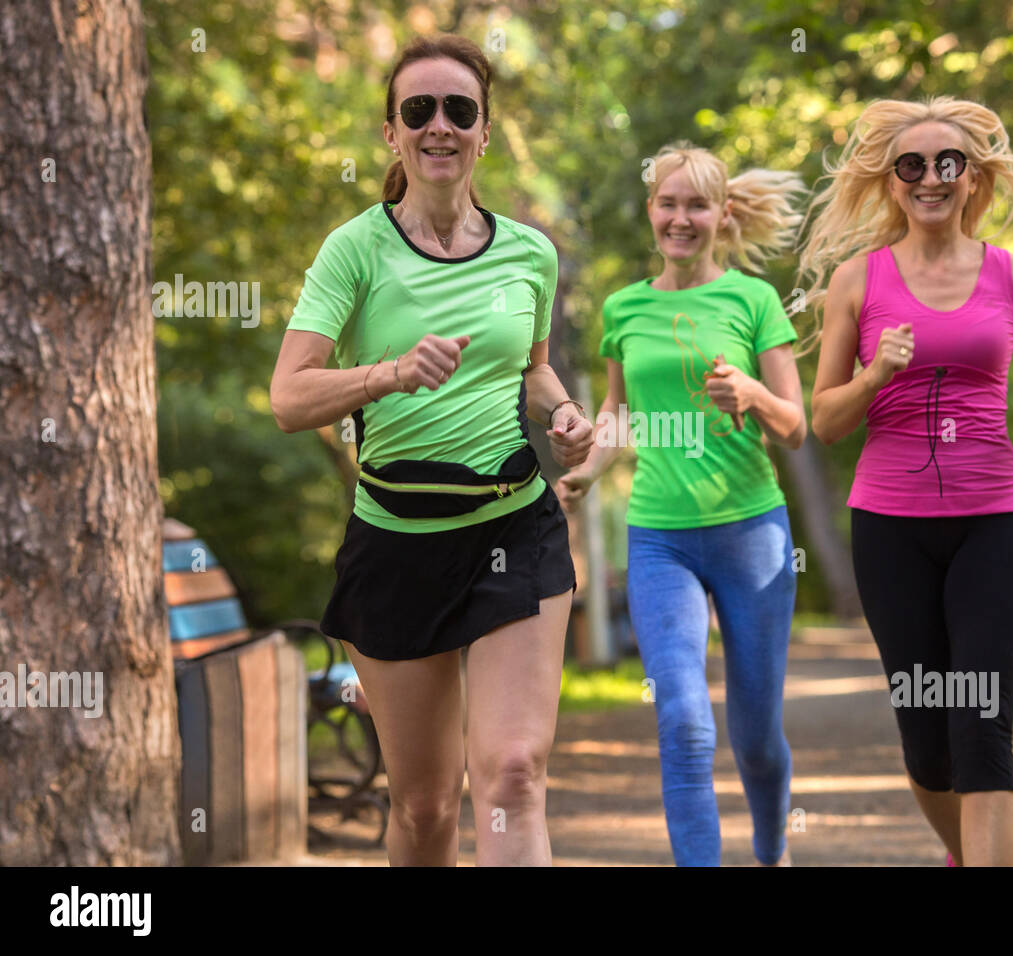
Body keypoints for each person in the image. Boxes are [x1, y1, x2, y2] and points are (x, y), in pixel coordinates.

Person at [268, 34, 593, 866]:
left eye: (460, 110)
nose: (439, 126)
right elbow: (289, 396)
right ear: (392, 133)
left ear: (484, 132)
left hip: (512, 527)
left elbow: (536, 371)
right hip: (397, 543)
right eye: (419, 110)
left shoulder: (530, 252)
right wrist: (385, 374)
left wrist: (565, 418)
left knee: (514, 774)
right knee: (423, 807)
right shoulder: (356, 250)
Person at [799, 97, 1013, 866]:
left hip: (996, 520)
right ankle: (964, 855)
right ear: (890, 183)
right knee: (928, 741)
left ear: (972, 176)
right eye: (910, 165)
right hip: (890, 528)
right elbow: (824, 420)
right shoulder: (857, 282)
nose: (929, 178)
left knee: (981, 726)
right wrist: (877, 372)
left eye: (946, 163)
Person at [556, 142, 807, 866]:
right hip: (660, 537)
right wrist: (589, 471)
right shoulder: (624, 308)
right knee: (684, 722)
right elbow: (616, 411)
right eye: (668, 203)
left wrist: (753, 394)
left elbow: (795, 427)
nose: (680, 218)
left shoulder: (753, 300)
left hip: (751, 532)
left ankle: (771, 852)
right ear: (651, 212)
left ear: (722, 215)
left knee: (756, 735)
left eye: (696, 204)